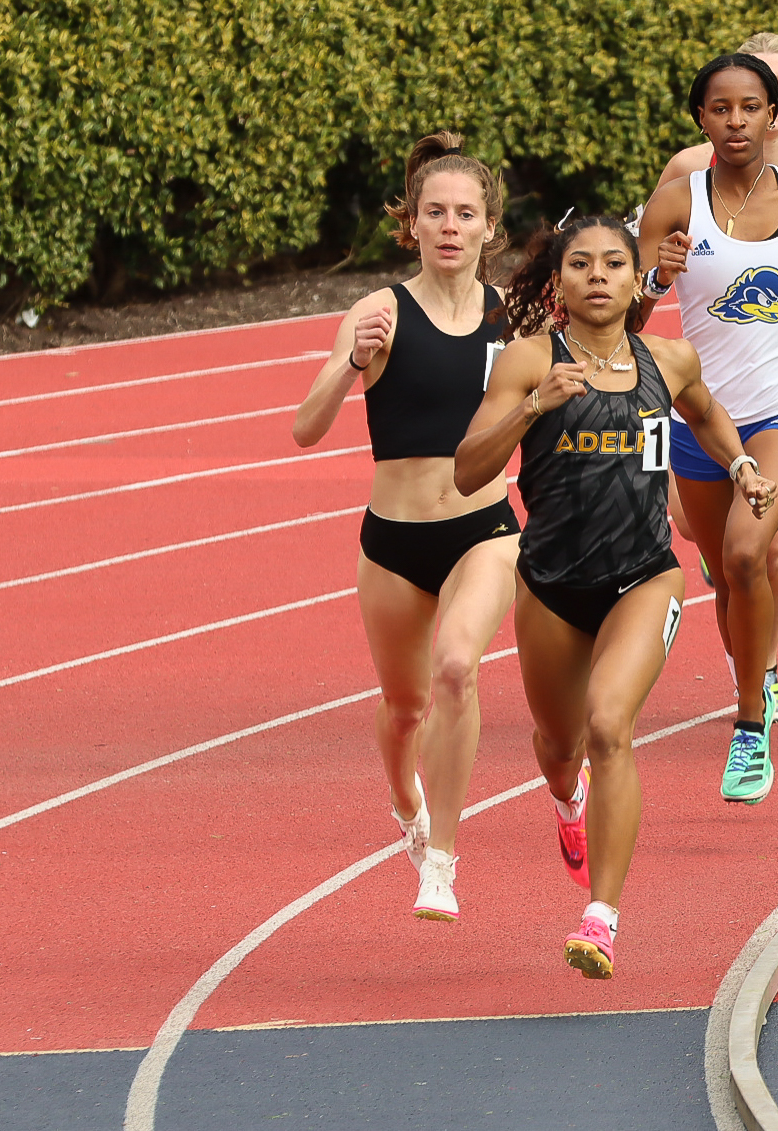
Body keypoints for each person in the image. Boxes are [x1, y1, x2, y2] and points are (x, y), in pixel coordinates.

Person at [455, 215, 774, 978]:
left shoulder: (669, 356)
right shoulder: (528, 361)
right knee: (560, 748)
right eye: (580, 265)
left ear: (638, 282)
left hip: (644, 573)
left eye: (612, 264)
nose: (597, 275)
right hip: (552, 584)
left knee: (608, 725)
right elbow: (468, 472)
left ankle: (599, 917)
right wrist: (532, 408)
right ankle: (568, 804)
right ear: (557, 284)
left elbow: (706, 413)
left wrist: (737, 466)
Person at [292, 132, 519, 922]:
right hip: (391, 543)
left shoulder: (511, 318)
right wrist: (348, 364)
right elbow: (304, 428)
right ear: (411, 224)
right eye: (435, 213)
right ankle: (404, 801)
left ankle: (443, 862)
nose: (450, 226)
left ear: (491, 226)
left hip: (484, 529)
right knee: (405, 706)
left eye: (465, 213)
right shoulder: (378, 310)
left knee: (459, 667)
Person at [636, 53, 778, 805]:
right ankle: (756, 672)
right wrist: (652, 278)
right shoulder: (673, 203)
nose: (735, 121)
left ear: (775, 115)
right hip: (698, 413)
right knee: (721, 570)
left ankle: (746, 726)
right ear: (700, 118)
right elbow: (626, 320)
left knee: (745, 553)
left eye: (749, 107)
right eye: (719, 108)